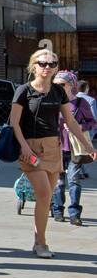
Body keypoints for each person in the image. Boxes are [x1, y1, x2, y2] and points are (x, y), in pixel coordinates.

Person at [9, 49, 97, 256]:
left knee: (46, 199)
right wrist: (24, 146)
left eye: (52, 63)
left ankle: (38, 241)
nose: (47, 67)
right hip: (30, 147)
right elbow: (13, 122)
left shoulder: (58, 92)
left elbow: (71, 121)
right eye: (42, 63)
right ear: (33, 66)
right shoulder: (23, 90)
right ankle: (41, 244)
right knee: (44, 193)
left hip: (53, 148)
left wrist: (88, 145)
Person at [49, 70, 96, 227]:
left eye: (61, 84)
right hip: (56, 147)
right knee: (59, 182)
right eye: (55, 85)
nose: (58, 87)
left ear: (71, 85)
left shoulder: (81, 103)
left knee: (73, 180)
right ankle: (57, 210)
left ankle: (75, 214)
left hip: (75, 148)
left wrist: (79, 126)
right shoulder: (51, 102)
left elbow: (92, 123)